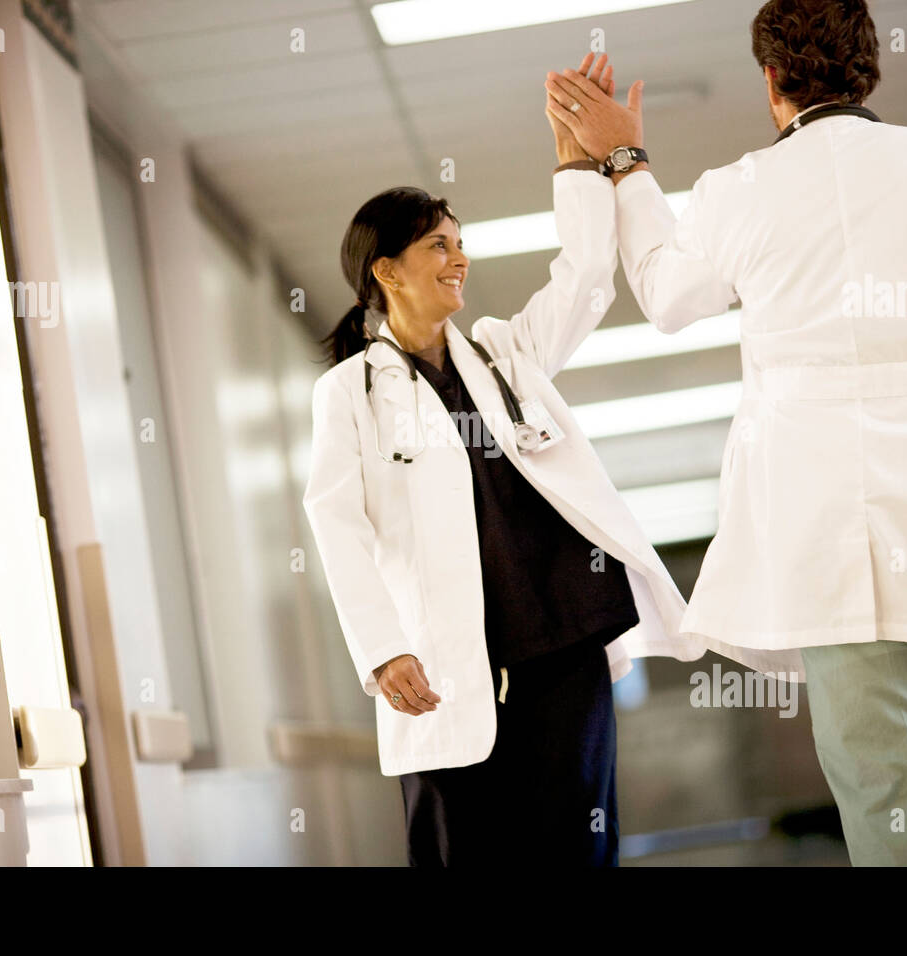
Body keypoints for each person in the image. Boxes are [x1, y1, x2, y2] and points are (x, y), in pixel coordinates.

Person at [545, 0, 907, 866]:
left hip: (829, 537)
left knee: (892, 791)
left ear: (772, 80)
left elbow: (667, 294)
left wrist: (624, 161)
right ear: (869, 65)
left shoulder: (742, 190)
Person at [303, 54, 794, 867]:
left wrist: (578, 165)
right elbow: (336, 525)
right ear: (385, 270)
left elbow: (587, 281)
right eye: (436, 246)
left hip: (560, 641)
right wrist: (382, 648)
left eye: (460, 244)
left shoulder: (502, 351)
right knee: (461, 849)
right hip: (443, 659)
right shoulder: (349, 394)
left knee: (578, 843)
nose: (458, 260)